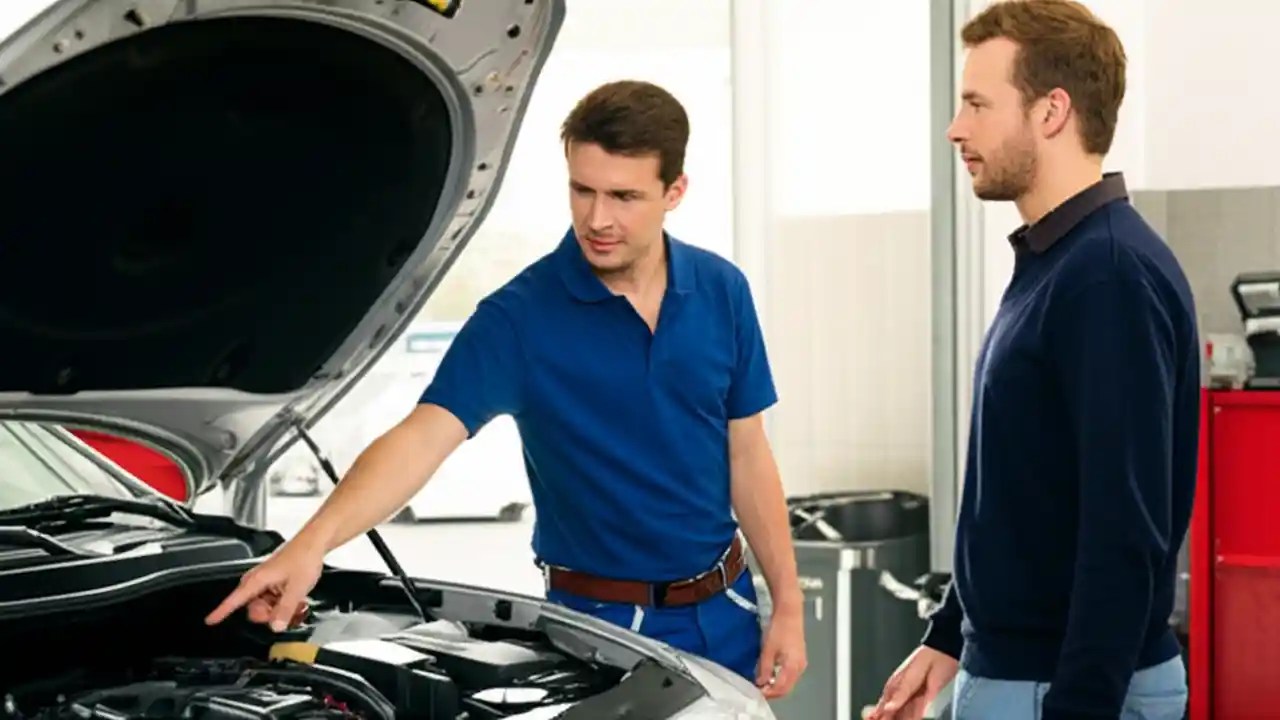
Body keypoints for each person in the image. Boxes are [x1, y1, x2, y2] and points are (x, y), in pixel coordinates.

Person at [204, 79, 808, 698]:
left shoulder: (722, 290)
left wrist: (786, 603)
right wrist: (311, 544)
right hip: (605, 632)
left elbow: (747, 454)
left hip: (729, 609)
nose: (597, 219)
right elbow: (420, 439)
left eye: (624, 196)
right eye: (582, 190)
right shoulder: (518, 319)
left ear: (674, 192)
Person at [870, 2, 1198, 719]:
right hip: (1023, 672)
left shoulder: (1107, 278)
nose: (956, 127)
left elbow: (1123, 536)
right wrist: (953, 634)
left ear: (1052, 111)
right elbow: (1024, 494)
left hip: (1065, 687)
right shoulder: (1058, 263)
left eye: (978, 104)